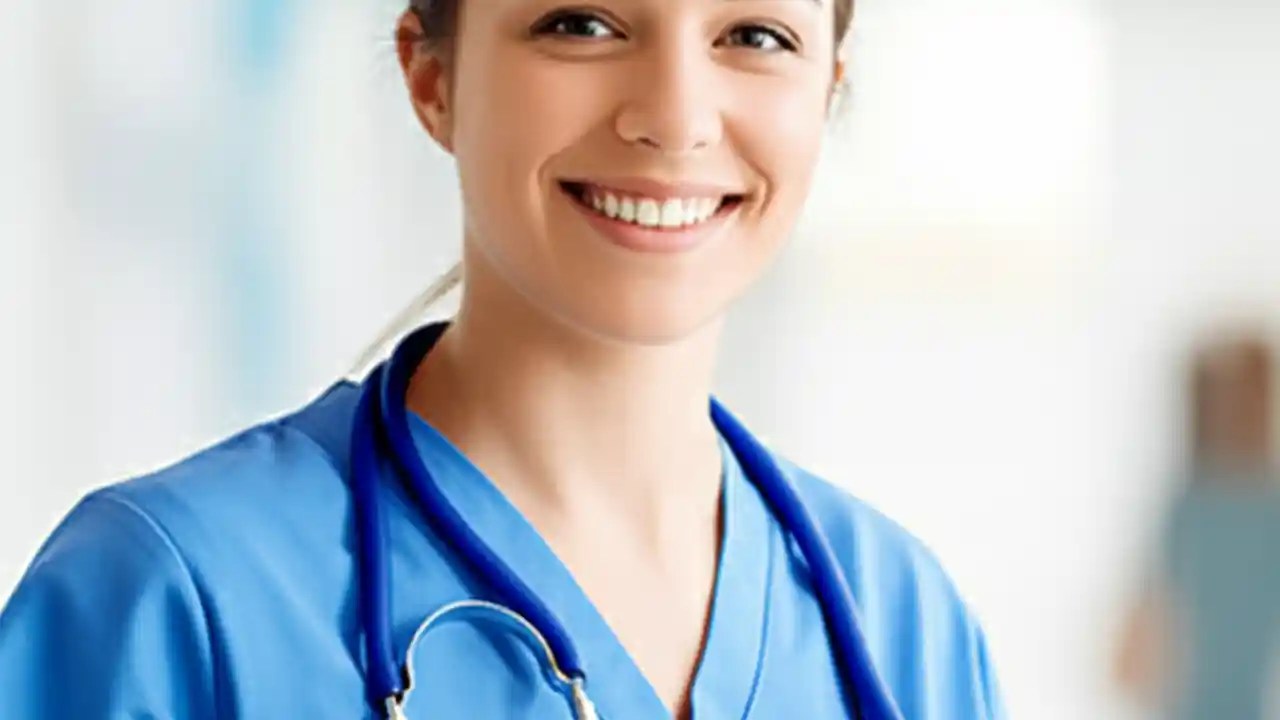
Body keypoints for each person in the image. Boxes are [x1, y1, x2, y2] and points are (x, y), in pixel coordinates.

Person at [0, 1, 1006, 717]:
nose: (673, 116)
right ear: (432, 79)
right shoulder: (175, 598)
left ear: (826, 90)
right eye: (581, 24)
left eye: (754, 36)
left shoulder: (899, 629)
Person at [1114, 333, 1280, 718]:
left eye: (1245, 400)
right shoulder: (1189, 506)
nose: (1234, 414)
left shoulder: (1269, 508)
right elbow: (1151, 607)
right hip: (1185, 703)